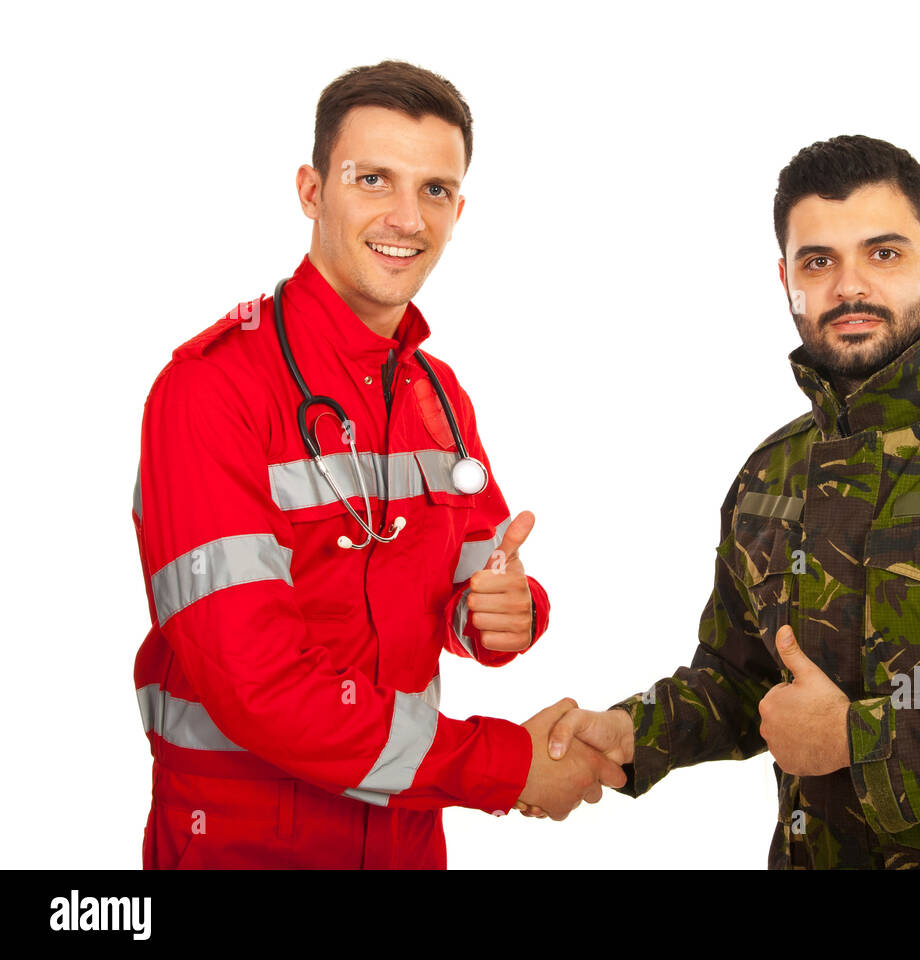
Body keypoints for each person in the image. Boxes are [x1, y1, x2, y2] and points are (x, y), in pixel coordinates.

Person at [538, 135, 920, 869]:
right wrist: (635, 731)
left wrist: (856, 741)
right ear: (785, 278)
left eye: (883, 253)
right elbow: (746, 681)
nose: (849, 287)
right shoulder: (773, 475)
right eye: (818, 260)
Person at [131, 59, 624, 870]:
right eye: (373, 179)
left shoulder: (437, 392)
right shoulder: (208, 391)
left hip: (403, 838)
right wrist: (507, 765)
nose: (407, 217)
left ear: (459, 209)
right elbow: (256, 685)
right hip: (246, 847)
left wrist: (510, 611)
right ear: (311, 190)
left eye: (435, 190)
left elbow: (480, 580)